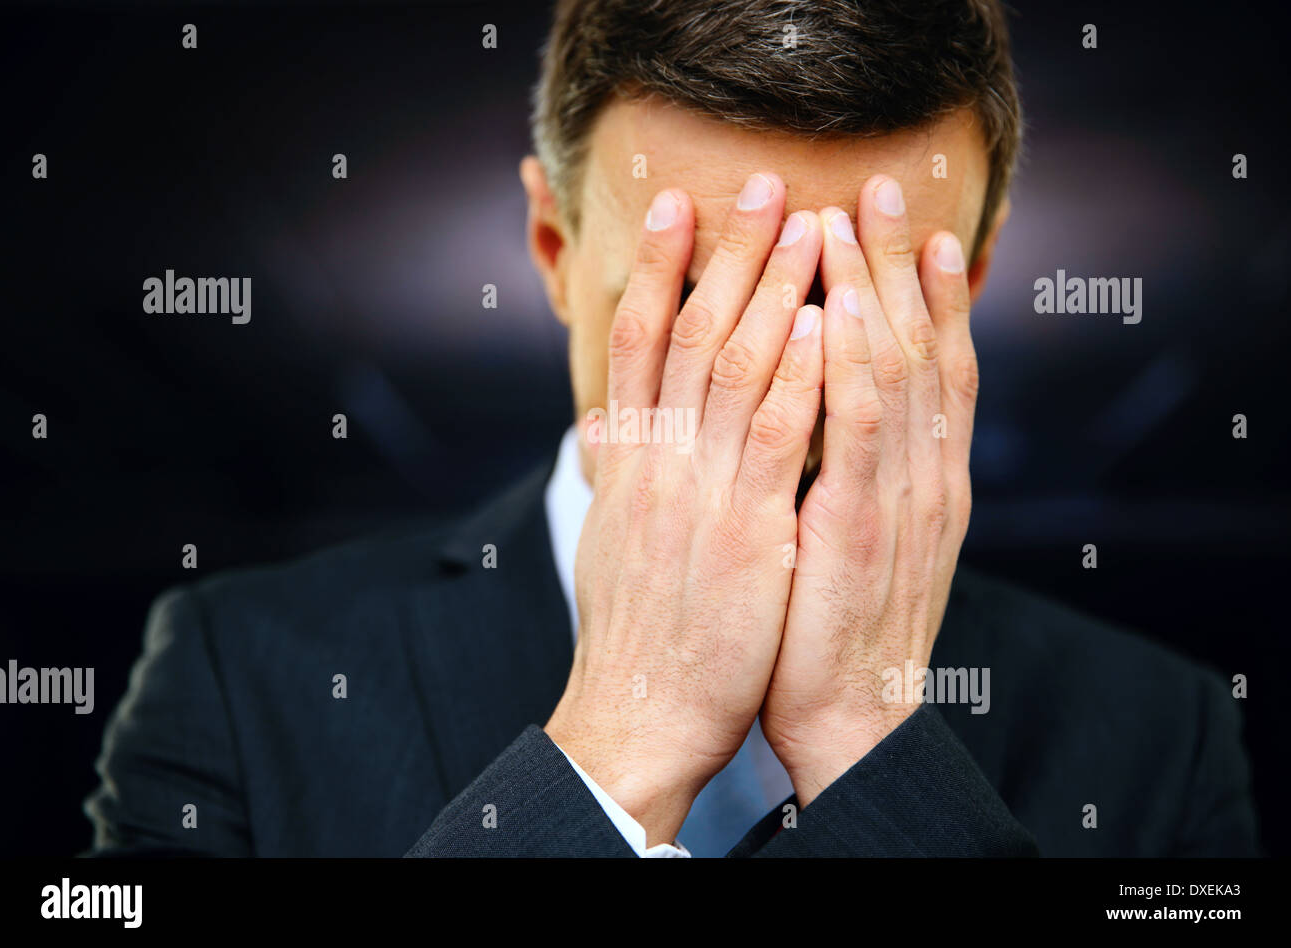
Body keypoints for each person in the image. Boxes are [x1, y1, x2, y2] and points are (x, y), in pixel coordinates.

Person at [84, 0, 1259, 858]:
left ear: (973, 279)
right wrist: (613, 750)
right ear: (552, 250)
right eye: (696, 299)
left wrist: (868, 738)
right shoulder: (238, 677)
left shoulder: (1160, 736)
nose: (765, 382)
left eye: (844, 303)